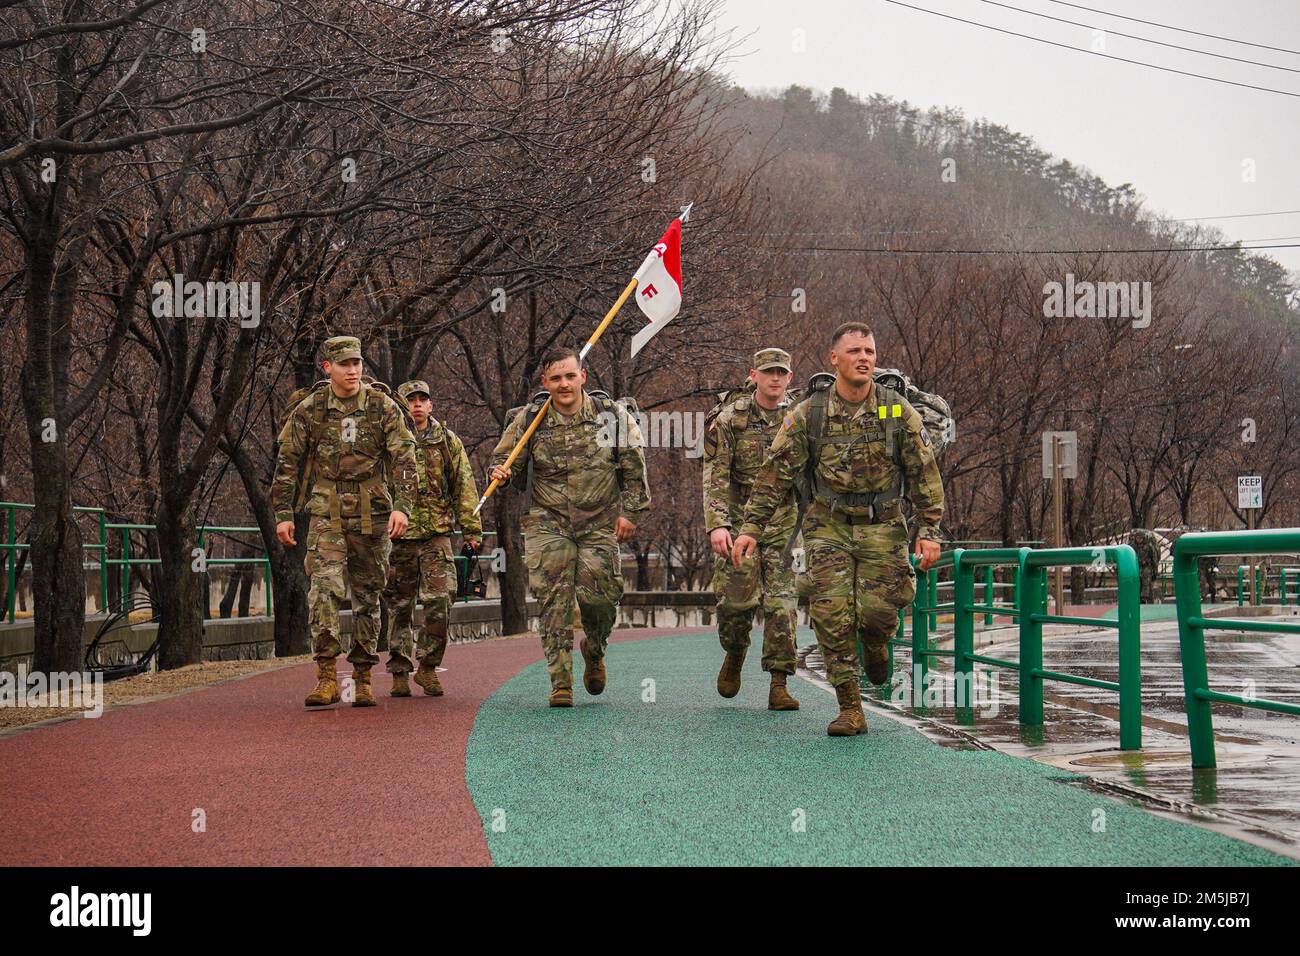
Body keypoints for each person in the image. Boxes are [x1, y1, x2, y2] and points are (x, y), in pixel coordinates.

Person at [733, 322, 944, 736]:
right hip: (828, 525)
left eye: (869, 351)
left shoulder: (896, 410)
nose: (863, 358)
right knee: (831, 615)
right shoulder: (808, 413)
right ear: (834, 359)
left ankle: (877, 639)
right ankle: (850, 707)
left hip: (883, 525)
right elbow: (774, 475)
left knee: (878, 613)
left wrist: (929, 530)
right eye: (854, 351)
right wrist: (751, 529)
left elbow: (923, 472)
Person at [489, 348, 650, 707]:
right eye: (556, 378)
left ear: (583, 377)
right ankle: (560, 681)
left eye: (569, 376)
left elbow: (634, 466)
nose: (564, 384)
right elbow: (504, 459)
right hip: (549, 522)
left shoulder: (610, 416)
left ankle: (594, 649)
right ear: (545, 382)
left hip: (599, 523)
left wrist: (632, 513)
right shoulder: (531, 419)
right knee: (553, 603)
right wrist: (500, 473)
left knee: (601, 600)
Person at [272, 336, 418, 708]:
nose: (352, 370)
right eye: (344, 364)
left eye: (356, 363)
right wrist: (284, 514)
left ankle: (363, 676)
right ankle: (325, 675)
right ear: (328, 367)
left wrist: (403, 507)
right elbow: (287, 461)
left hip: (373, 513)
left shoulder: (381, 406)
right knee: (324, 590)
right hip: (327, 513)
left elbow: (405, 456)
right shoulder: (312, 409)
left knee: (368, 596)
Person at [703, 347, 801, 711]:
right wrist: (718, 525)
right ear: (754, 374)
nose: (775, 378)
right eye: (768, 372)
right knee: (735, 605)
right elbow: (716, 474)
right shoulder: (731, 420)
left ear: (790, 377)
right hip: (739, 523)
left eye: (781, 372)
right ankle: (735, 650)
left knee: (782, 605)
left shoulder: (800, 418)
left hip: (785, 525)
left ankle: (779, 682)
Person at [381, 380, 482, 697]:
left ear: (431, 404)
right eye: (411, 399)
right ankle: (399, 669)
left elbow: (463, 484)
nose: (417, 404)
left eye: (423, 399)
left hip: (437, 533)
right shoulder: (392, 440)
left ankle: (427, 666)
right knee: (399, 605)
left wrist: (471, 529)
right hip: (399, 536)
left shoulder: (446, 442)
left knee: (441, 599)